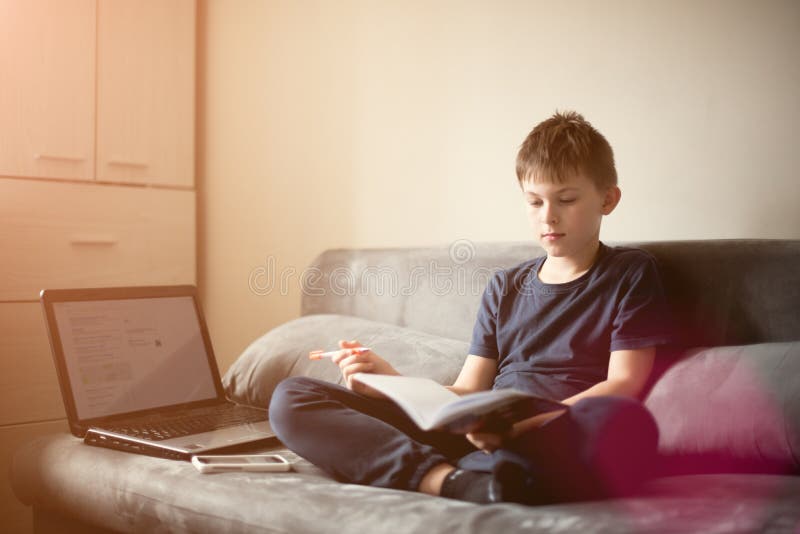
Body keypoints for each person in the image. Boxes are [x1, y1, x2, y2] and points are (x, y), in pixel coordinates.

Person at [269, 111, 672, 505]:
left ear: (608, 199)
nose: (548, 216)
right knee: (293, 397)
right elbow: (465, 393)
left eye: (566, 199)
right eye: (534, 202)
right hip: (479, 436)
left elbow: (624, 384)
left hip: (556, 432)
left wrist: (522, 427)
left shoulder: (630, 274)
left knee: (626, 421)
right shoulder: (505, 287)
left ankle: (503, 475)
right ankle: (450, 481)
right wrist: (389, 384)